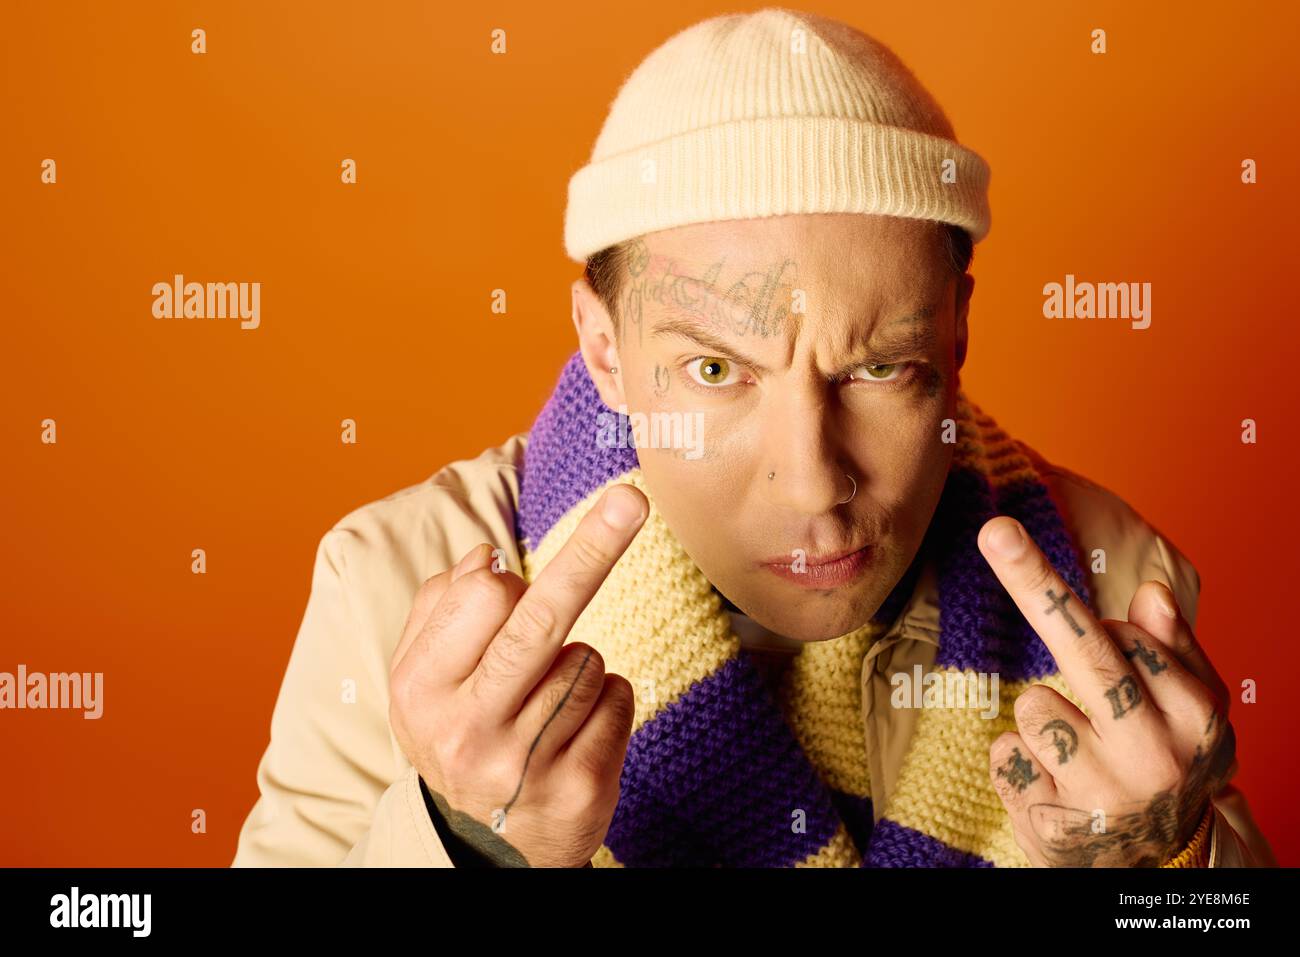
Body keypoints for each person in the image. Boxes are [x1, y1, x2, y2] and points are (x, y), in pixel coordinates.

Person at [232, 8, 1275, 868]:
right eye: (715, 372)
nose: (812, 484)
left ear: (957, 331)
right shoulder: (391, 588)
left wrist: (1170, 856)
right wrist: (466, 844)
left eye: (879, 368)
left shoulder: (1106, 580)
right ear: (601, 348)